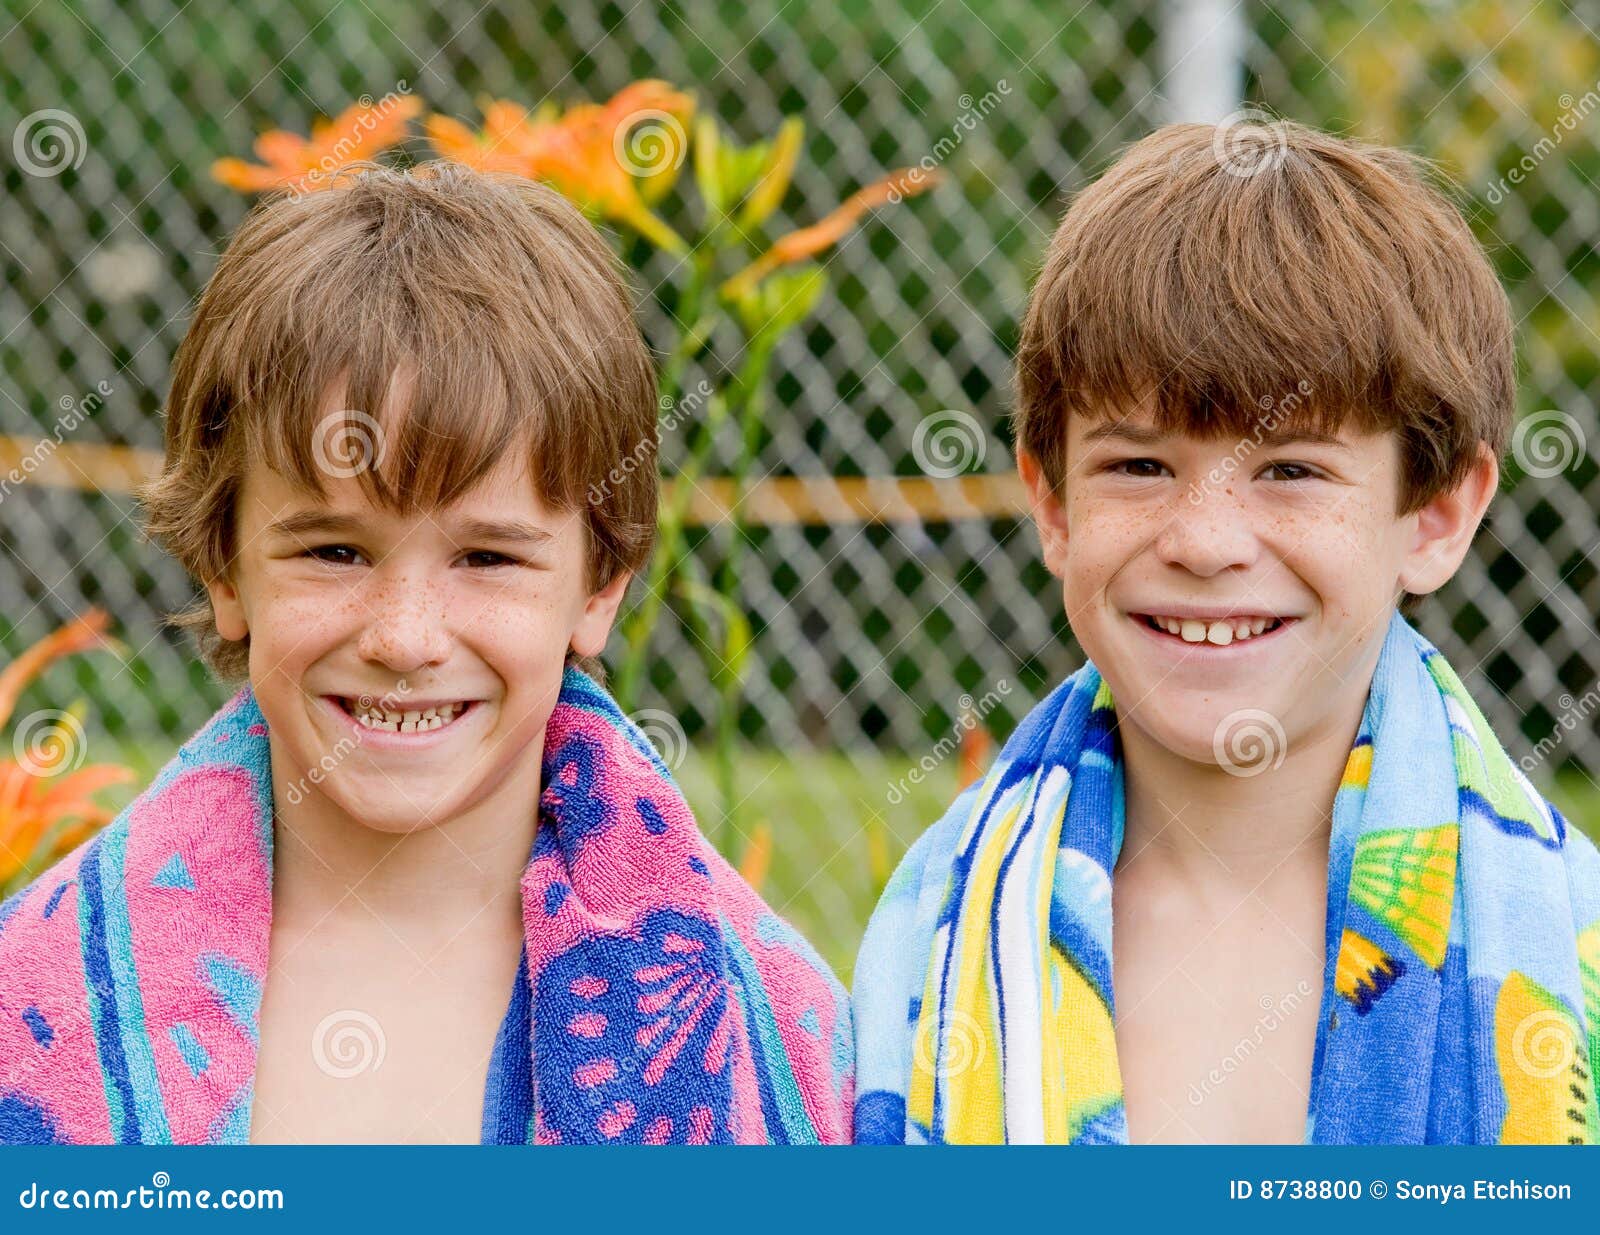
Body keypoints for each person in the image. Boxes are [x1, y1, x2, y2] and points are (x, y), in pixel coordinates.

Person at [0, 162, 851, 1146]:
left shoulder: (775, 1031)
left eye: (486, 556)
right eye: (333, 550)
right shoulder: (41, 995)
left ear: (600, 583)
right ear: (225, 569)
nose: (405, 636)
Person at [852, 120, 1600, 1145]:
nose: (1203, 542)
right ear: (1053, 505)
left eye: (1290, 470)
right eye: (1139, 466)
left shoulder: (1573, 940)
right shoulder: (920, 939)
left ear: (1435, 515)